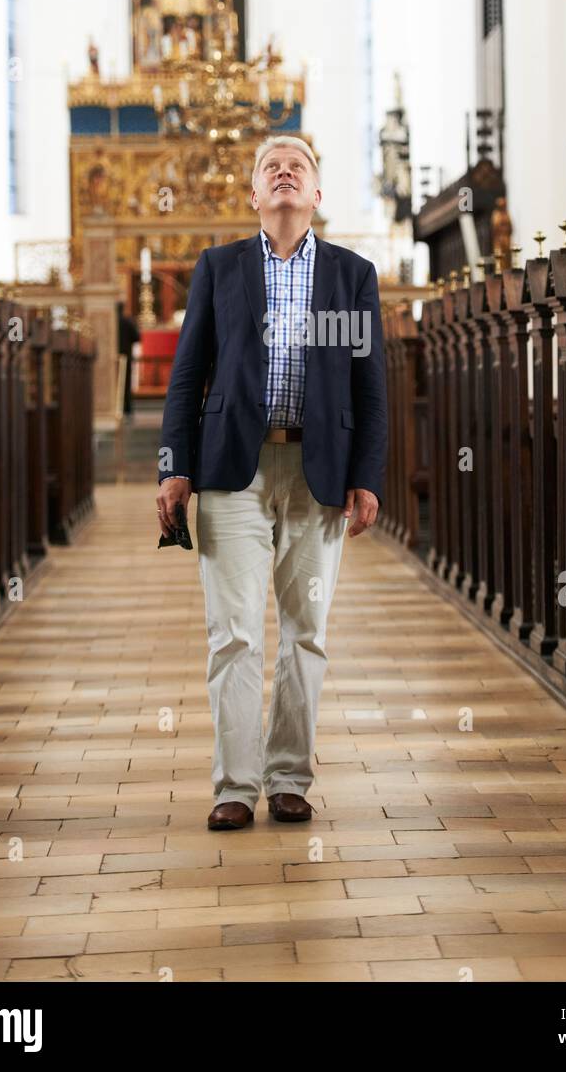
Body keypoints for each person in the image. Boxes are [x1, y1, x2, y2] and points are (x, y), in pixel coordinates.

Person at [156, 135, 388, 830]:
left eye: (299, 168)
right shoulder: (219, 268)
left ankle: (289, 778)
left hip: (319, 472)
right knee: (232, 634)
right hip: (233, 469)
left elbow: (371, 389)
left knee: (306, 630)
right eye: (271, 168)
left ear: (317, 194)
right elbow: (187, 376)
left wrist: (367, 475)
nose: (285, 174)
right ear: (254, 194)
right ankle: (235, 787)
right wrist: (175, 468)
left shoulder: (352, 275)